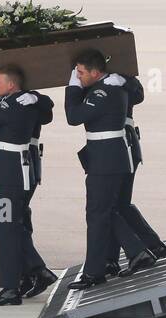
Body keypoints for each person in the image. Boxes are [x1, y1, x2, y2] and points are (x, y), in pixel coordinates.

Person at [65, 49, 153, 291]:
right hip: (108, 158)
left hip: (106, 160)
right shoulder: (106, 86)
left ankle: (96, 272)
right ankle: (129, 255)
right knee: (103, 212)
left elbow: (73, 116)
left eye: (80, 73)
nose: (78, 77)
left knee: (97, 214)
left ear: (96, 72)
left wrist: (72, 88)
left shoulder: (104, 90)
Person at [0, 65, 42, 306]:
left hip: (9, 172)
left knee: (6, 229)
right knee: (13, 226)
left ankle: (11, 289)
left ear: (11, 85)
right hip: (17, 168)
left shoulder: (11, 104)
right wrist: (37, 95)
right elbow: (47, 111)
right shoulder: (29, 102)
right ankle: (34, 272)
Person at [101, 72, 166, 276]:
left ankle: (137, 251)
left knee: (111, 205)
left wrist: (124, 80)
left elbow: (138, 94)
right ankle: (149, 246)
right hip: (118, 146)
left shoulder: (118, 76)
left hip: (123, 146)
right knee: (117, 204)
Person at [17, 91, 58, 298]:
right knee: (20, 217)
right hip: (25, 160)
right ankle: (25, 275)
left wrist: (35, 97)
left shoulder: (30, 101)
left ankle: (37, 270)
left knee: (13, 222)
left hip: (23, 162)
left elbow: (48, 109)